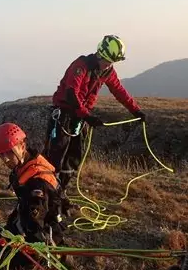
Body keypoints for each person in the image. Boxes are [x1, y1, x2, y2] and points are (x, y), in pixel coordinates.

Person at [44, 35, 147, 212]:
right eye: (107, 61)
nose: (109, 65)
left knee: (73, 159)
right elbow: (71, 94)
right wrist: (87, 116)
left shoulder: (107, 71)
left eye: (112, 62)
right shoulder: (81, 65)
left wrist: (135, 110)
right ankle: (45, 195)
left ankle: (60, 195)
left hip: (79, 118)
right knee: (55, 158)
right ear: (100, 54)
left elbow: (119, 91)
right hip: (64, 116)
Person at [0, 123, 66, 268]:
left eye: (9, 152)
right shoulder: (24, 165)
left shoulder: (38, 182)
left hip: (45, 229)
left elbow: (35, 222)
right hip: (28, 217)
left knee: (10, 267)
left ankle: (53, 257)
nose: (5, 159)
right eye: (1, 154)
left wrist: (29, 248)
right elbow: (24, 207)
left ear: (22, 145)